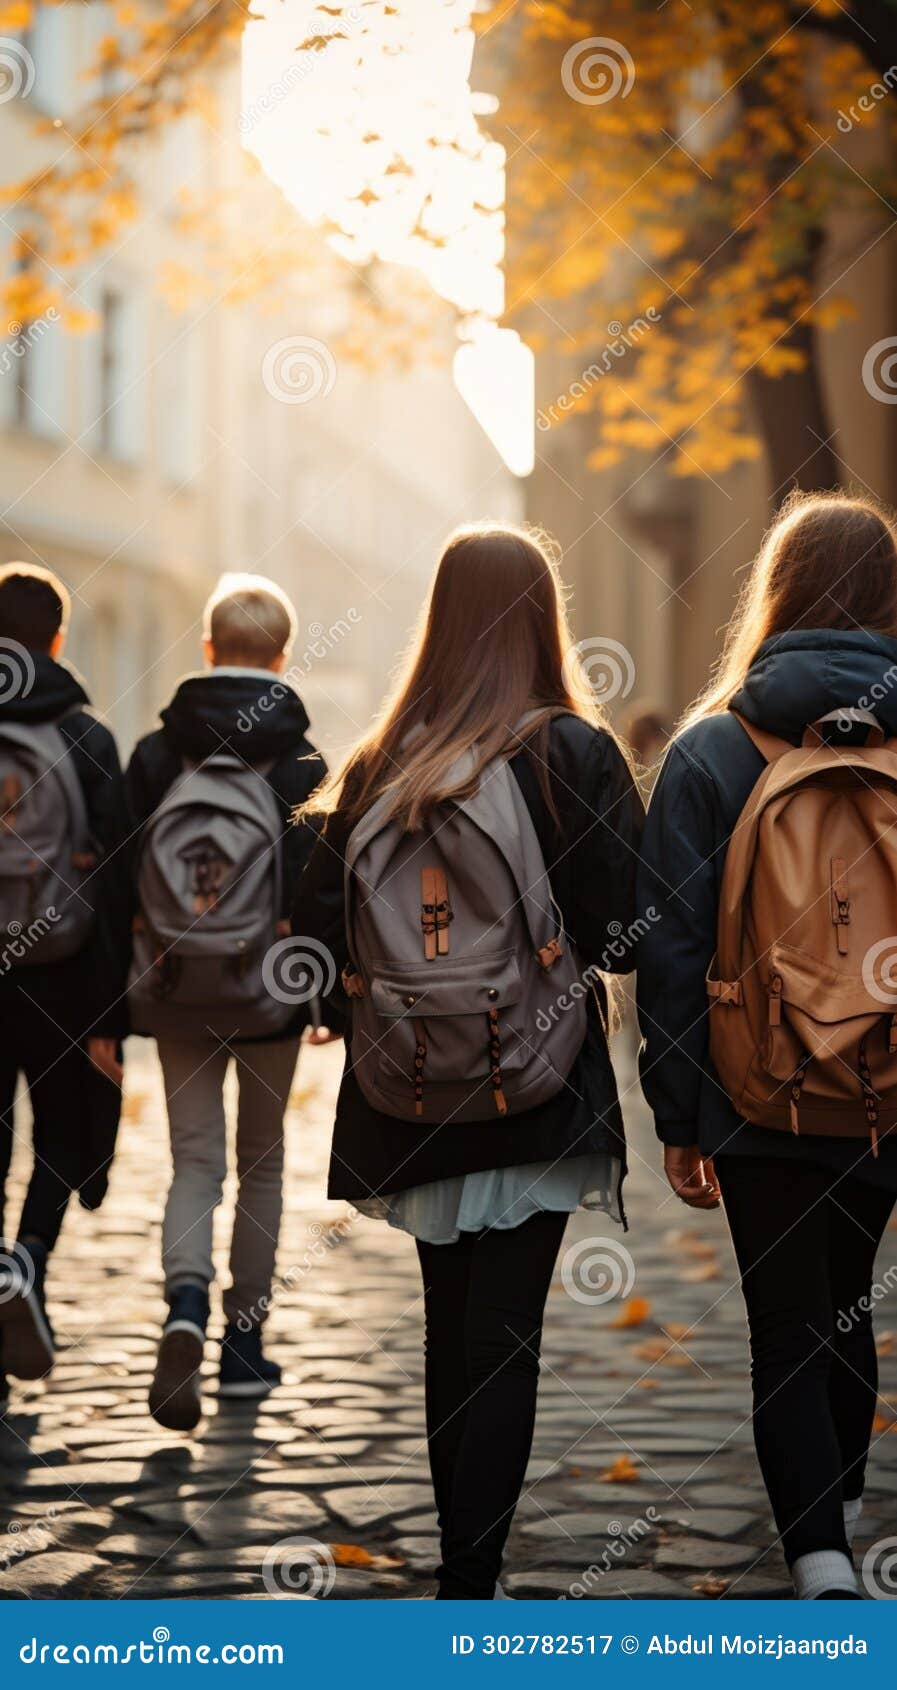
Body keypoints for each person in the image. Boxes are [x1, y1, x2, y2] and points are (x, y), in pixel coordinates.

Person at [293, 522, 644, 1599]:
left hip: (408, 1090)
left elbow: (309, 920)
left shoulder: (377, 763)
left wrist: (371, 999)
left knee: (452, 1331)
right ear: (543, 621)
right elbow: (629, 915)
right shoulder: (568, 755)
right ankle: (472, 1579)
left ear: (438, 624)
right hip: (534, 1086)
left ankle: (460, 1571)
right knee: (506, 1337)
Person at [638, 490, 897, 1601]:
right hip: (890, 1080)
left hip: (761, 1089)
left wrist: (679, 1113)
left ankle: (820, 1552)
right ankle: (834, 1500)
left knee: (786, 1318)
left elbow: (671, 948)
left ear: (777, 593)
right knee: (849, 1296)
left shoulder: (709, 750)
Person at [126, 573, 328, 1431]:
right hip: (271, 988)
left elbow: (111, 881)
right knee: (264, 1164)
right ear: (281, 658)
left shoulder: (156, 753)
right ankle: (244, 1349)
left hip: (175, 984)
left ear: (208, 651)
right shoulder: (302, 760)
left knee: (194, 1163)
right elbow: (322, 890)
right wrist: (323, 994)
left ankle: (182, 1308)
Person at [0, 562, 128, 1404]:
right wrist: (115, 1006)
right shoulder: (85, 739)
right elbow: (118, 879)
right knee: (59, 1134)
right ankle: (27, 1262)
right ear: (56, 638)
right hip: (62, 968)